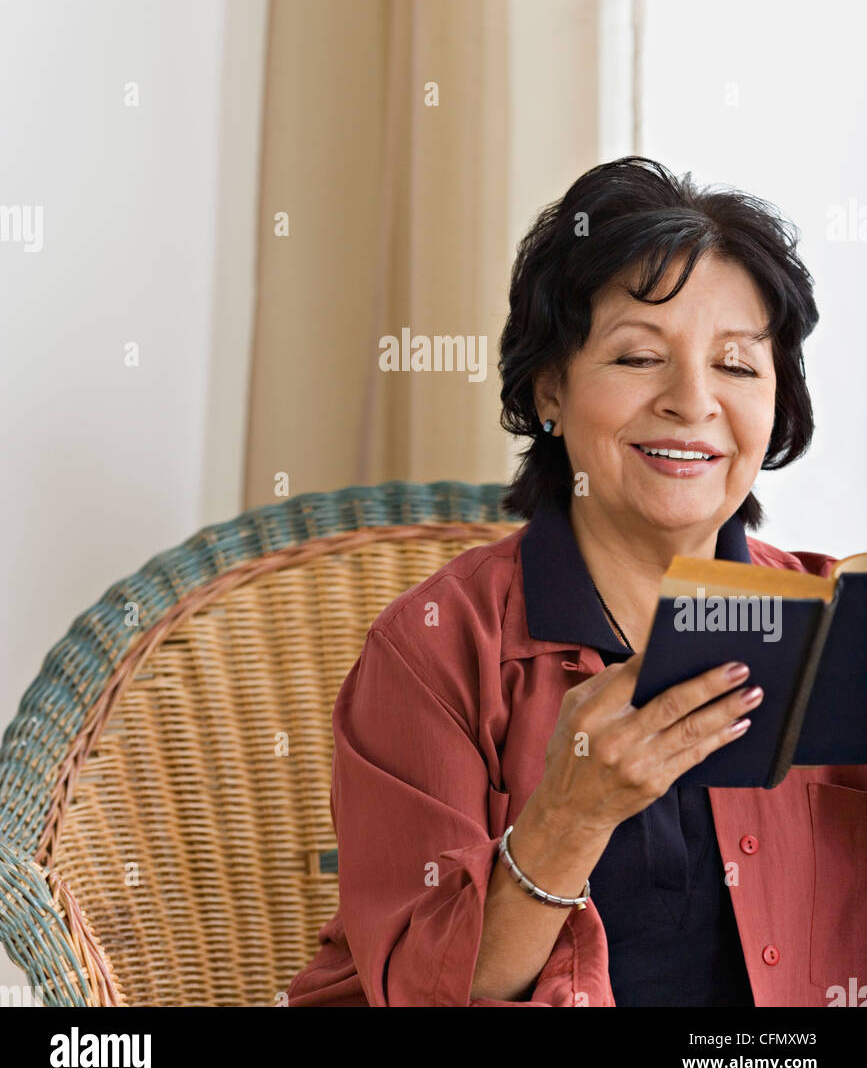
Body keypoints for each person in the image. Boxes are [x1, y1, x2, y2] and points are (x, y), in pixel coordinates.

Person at [287, 157, 867, 1007]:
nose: (691, 401)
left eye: (738, 366)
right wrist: (571, 815)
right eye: (638, 357)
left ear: (777, 406)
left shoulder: (834, 627)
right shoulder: (436, 647)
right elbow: (424, 992)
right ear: (549, 387)